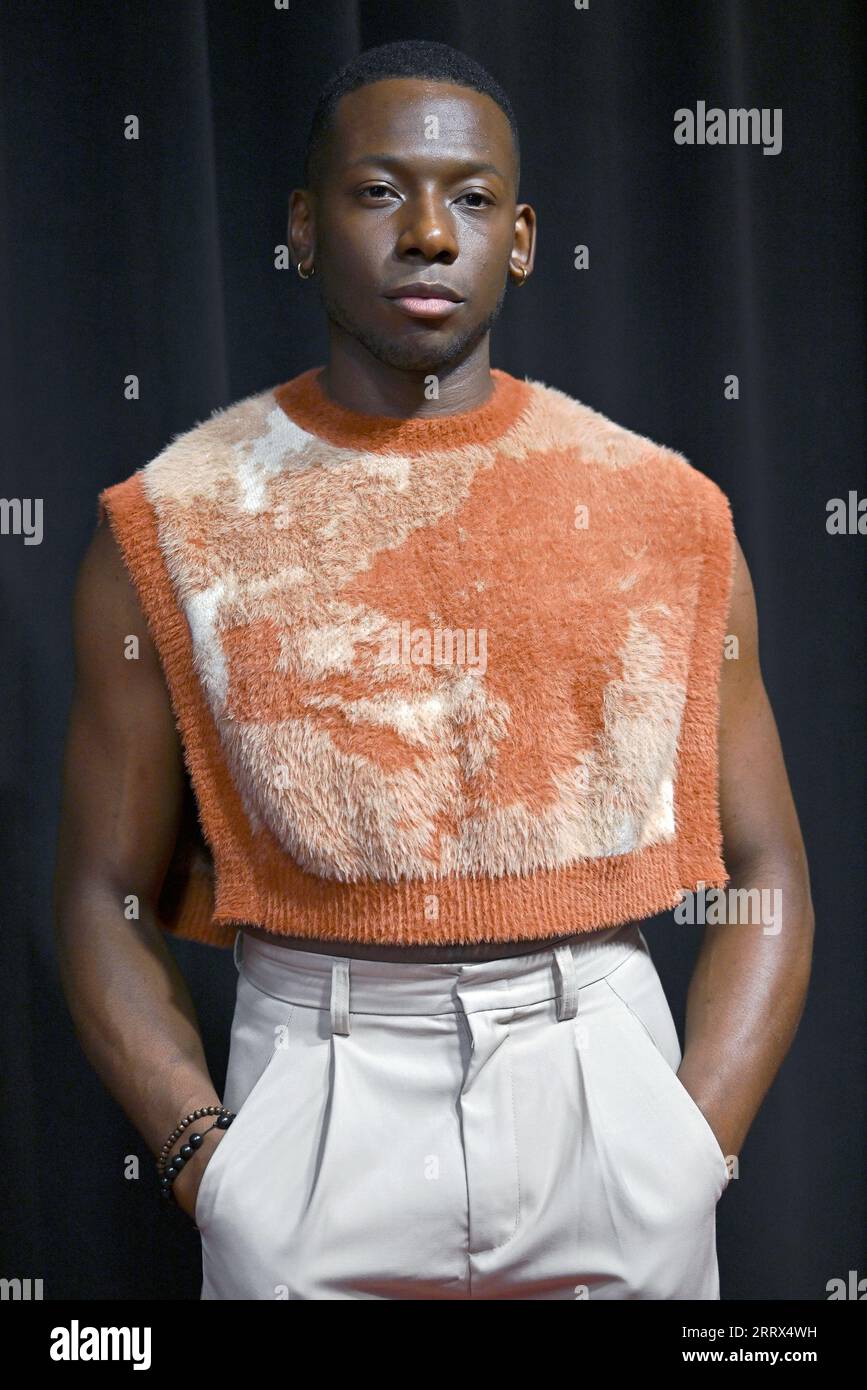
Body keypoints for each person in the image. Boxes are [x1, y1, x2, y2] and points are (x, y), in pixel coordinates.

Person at [54, 40, 814, 1301]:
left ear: (521, 239)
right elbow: (98, 891)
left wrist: (694, 1142)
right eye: (377, 191)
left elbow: (769, 864)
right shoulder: (176, 521)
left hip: (604, 1091)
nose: (426, 233)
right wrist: (211, 1167)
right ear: (302, 225)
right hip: (319, 1086)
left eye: (470, 198)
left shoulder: (664, 512)